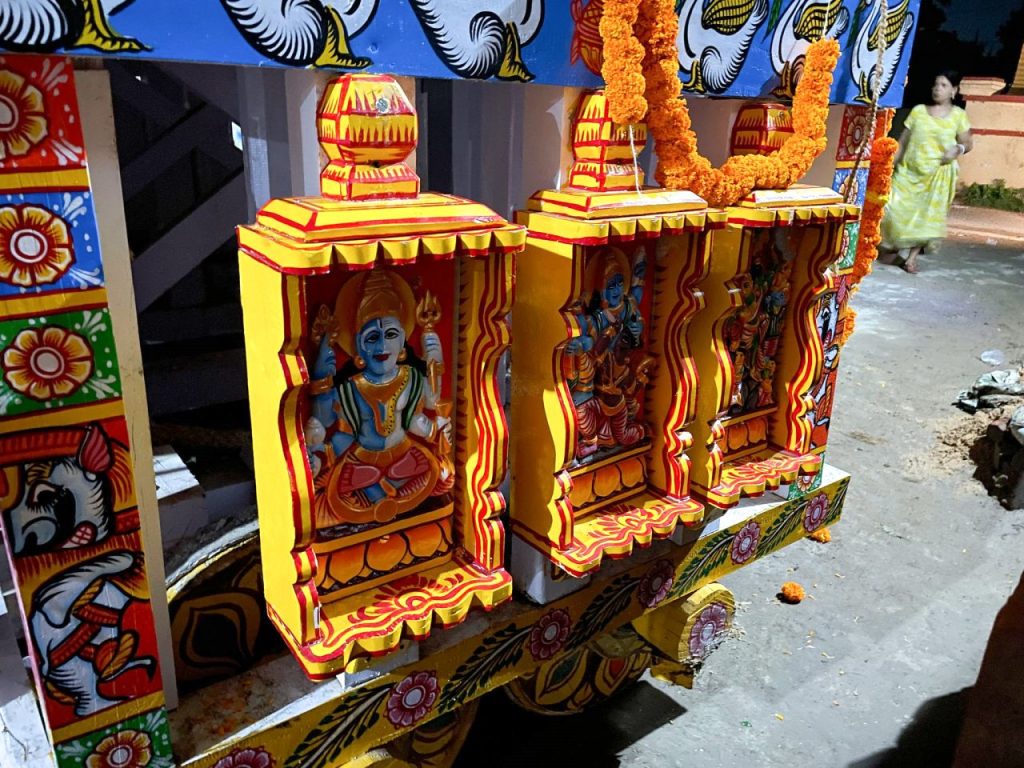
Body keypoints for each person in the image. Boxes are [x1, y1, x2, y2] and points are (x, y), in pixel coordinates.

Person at [880, 70, 973, 273]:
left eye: (943, 85)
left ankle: (911, 258)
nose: (937, 89)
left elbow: (967, 143)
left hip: (938, 174)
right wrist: (890, 164)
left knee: (926, 216)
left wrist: (957, 149)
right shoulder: (918, 111)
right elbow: (903, 142)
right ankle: (893, 246)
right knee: (894, 208)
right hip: (908, 171)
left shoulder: (958, 116)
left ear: (953, 91)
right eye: (936, 84)